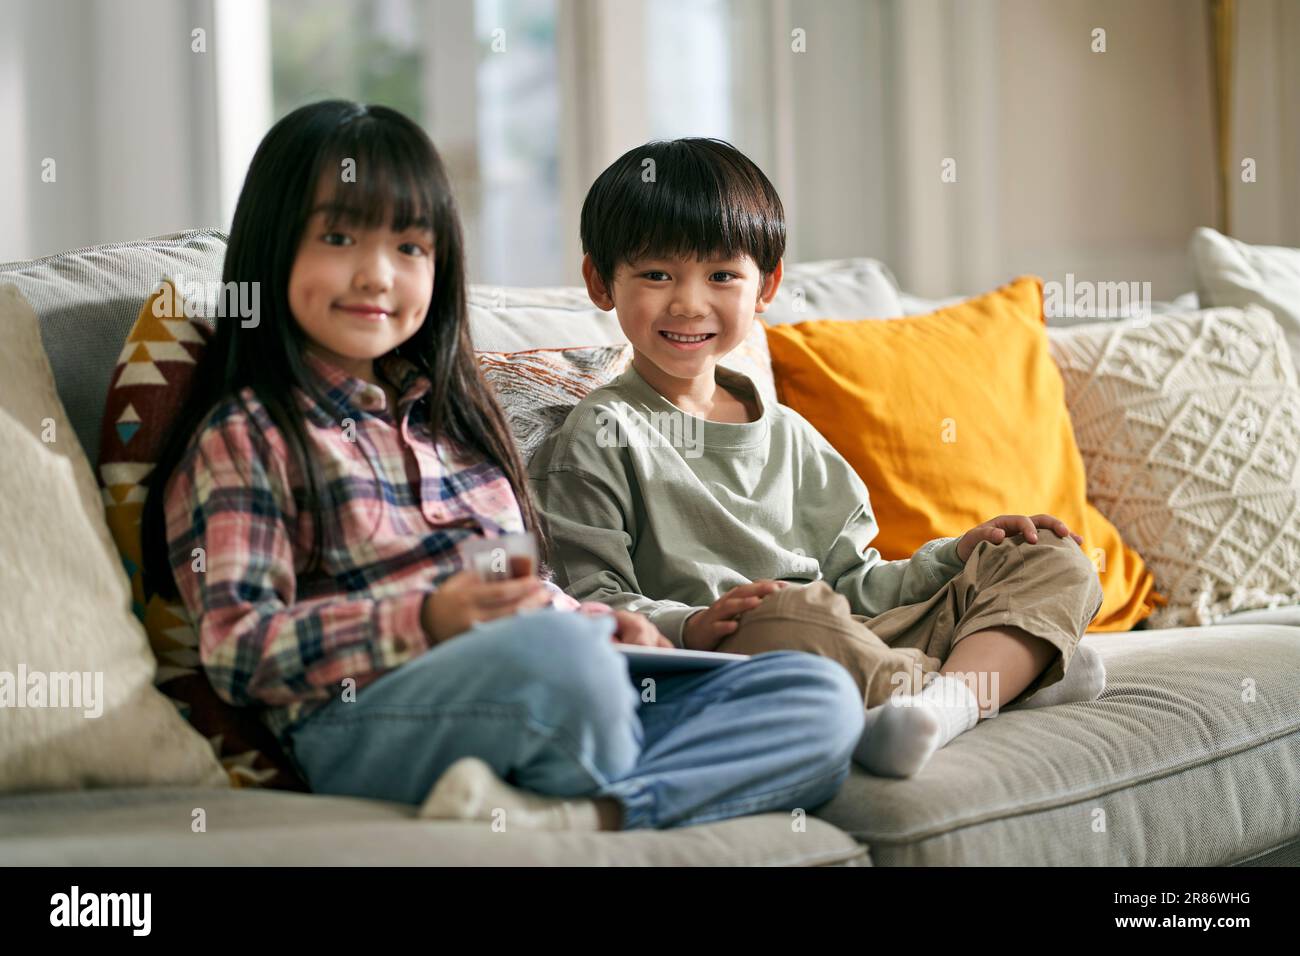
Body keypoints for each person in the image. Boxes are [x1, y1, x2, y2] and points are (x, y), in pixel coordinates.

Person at [140, 104, 864, 831]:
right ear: (274, 249)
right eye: (337, 237)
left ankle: (585, 818)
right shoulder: (250, 435)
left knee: (817, 696)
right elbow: (239, 649)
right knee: (565, 671)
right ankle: (614, 772)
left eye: (410, 248)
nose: (375, 274)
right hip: (373, 715)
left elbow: (527, 592)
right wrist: (426, 618)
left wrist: (610, 624)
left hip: (551, 681)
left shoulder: (457, 425)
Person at [530, 138, 1107, 779]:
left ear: (766, 285)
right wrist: (695, 623)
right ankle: (1001, 673)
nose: (690, 303)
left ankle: (952, 698)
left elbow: (856, 584)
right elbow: (591, 602)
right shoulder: (601, 435)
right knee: (792, 618)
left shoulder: (793, 436)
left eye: (722, 275)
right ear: (599, 282)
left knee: (1051, 556)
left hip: (854, 632)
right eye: (657, 274)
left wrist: (956, 554)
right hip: (741, 649)